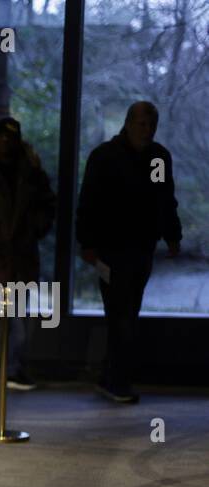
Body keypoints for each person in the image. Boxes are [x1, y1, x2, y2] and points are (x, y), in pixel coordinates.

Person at [77, 101, 181, 404]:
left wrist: (172, 235)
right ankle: (116, 379)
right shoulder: (106, 157)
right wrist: (89, 243)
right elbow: (89, 201)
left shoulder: (156, 158)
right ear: (128, 123)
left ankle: (113, 376)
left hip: (140, 247)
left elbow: (165, 198)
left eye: (151, 125)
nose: (147, 130)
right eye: (142, 124)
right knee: (122, 314)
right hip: (112, 248)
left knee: (126, 312)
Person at [0, 116, 56, 391]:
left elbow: (46, 206)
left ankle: (13, 368)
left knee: (16, 315)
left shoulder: (29, 170)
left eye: (11, 137)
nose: (6, 142)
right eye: (2, 136)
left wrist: (31, 230)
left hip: (19, 252)